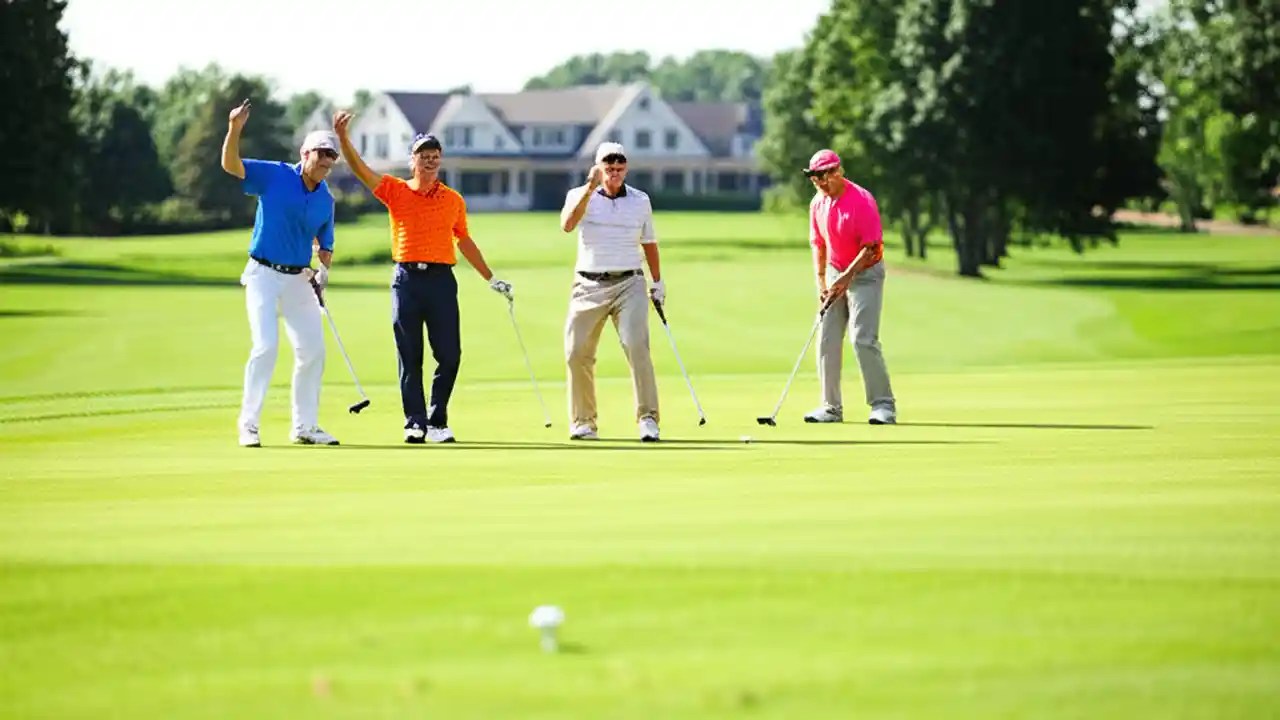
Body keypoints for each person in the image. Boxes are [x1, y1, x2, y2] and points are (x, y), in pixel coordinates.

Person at [331, 111, 510, 444]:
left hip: (442, 281)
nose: (430, 161)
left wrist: (490, 277)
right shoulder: (395, 191)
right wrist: (343, 140)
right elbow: (362, 171)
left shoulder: (453, 200)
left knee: (450, 354)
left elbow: (464, 240)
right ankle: (414, 421)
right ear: (412, 160)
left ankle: (438, 420)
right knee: (409, 354)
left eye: (435, 157)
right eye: (424, 156)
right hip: (407, 280)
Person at [220, 98, 341, 447]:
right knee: (266, 346)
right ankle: (249, 424)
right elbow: (231, 166)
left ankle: (305, 426)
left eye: (330, 157)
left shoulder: (325, 199)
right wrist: (234, 128)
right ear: (304, 154)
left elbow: (326, 243)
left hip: (299, 279)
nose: (325, 162)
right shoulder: (274, 174)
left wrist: (324, 272)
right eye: (320, 154)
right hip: (263, 274)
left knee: (313, 351)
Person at [559, 142, 664, 442]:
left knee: (637, 345)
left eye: (619, 168)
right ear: (597, 168)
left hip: (629, 282)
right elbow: (567, 225)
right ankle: (584, 422)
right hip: (588, 284)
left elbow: (649, 242)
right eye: (608, 168)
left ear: (626, 168)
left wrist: (657, 282)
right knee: (576, 352)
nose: (614, 173)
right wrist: (590, 188)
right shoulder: (579, 196)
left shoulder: (640, 200)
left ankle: (648, 418)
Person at [802, 148, 897, 425]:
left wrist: (846, 278)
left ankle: (883, 405)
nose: (819, 182)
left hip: (866, 274)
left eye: (823, 176)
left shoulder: (862, 201)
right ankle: (831, 407)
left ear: (838, 171)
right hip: (834, 273)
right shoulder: (817, 203)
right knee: (827, 338)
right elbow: (818, 245)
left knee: (862, 338)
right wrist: (822, 282)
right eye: (814, 177)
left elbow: (872, 248)